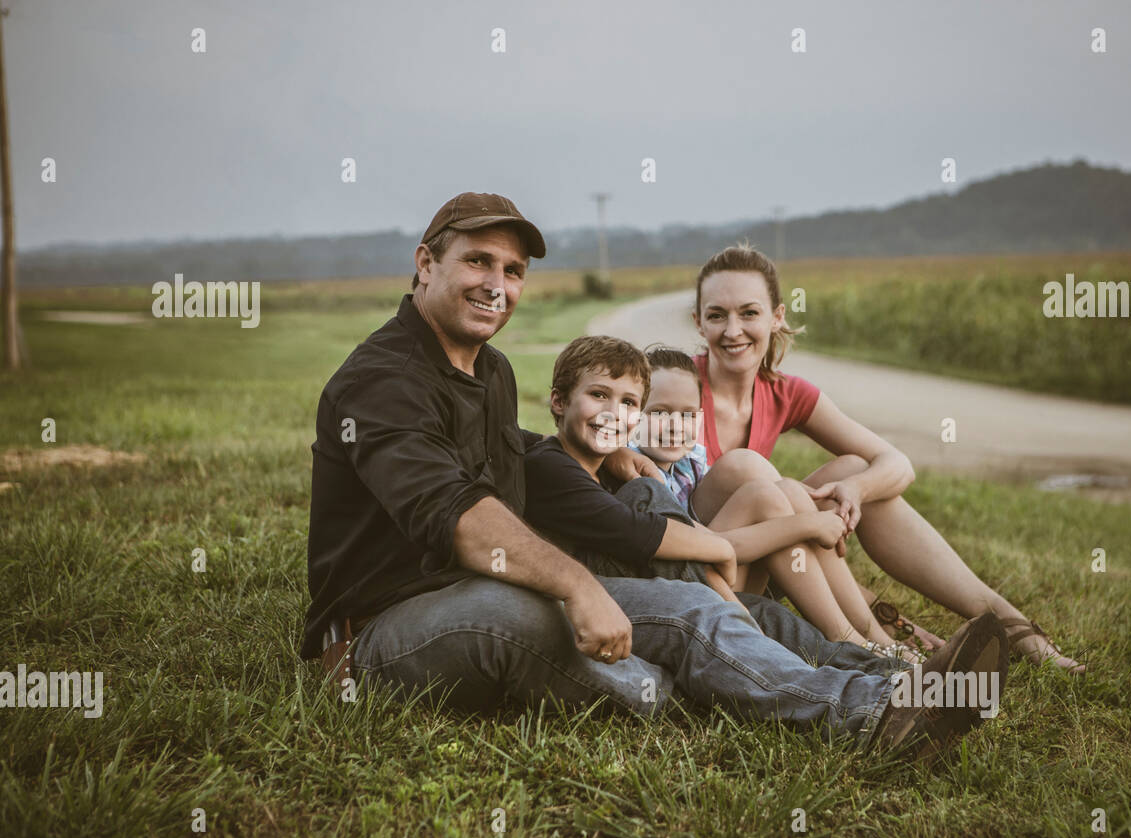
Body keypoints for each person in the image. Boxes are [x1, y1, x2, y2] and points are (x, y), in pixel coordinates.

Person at [302, 190, 1008, 761]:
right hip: (386, 630)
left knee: (698, 610)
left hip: (482, 586)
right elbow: (455, 512)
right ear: (426, 263)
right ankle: (848, 713)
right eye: (478, 262)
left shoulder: (486, 369)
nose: (497, 285)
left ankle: (892, 686)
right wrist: (579, 586)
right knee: (636, 679)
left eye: (512, 271)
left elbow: (504, 451)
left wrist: (609, 454)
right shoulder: (382, 380)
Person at [606, 243, 1084, 674]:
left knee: (854, 470)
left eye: (748, 313)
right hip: (714, 563)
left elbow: (897, 464)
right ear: (699, 322)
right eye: (717, 316)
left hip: (767, 549)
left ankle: (1007, 623)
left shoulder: (783, 391)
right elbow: (605, 430)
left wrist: (855, 491)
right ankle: (876, 635)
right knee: (747, 468)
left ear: (775, 317)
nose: (733, 331)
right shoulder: (672, 386)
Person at [522, 335, 918, 663]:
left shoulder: (654, 460)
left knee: (787, 493)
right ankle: (847, 636)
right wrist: (809, 524)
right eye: (658, 412)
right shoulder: (628, 472)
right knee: (761, 495)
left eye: (626, 403)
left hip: (717, 576)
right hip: (684, 585)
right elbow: (695, 545)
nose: (674, 426)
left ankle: (864, 635)